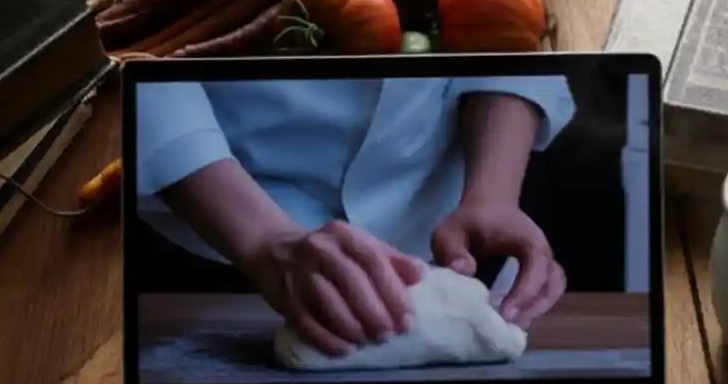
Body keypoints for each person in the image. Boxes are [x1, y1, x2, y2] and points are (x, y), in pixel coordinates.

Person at [136, 76, 577, 357]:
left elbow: (505, 6)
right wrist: (263, 239)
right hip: (212, 224)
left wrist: (494, 194)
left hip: (445, 228)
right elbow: (126, 47)